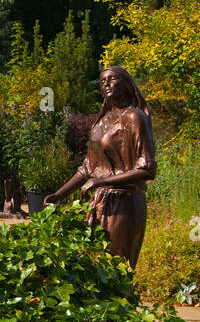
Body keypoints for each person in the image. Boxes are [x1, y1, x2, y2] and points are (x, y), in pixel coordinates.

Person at [44, 66, 155, 269]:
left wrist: (102, 181)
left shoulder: (133, 118)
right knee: (95, 268)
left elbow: (147, 168)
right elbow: (87, 168)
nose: (106, 83)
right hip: (98, 204)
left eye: (112, 79)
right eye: (102, 80)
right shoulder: (101, 121)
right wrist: (59, 195)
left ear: (126, 84)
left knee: (116, 268)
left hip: (124, 204)